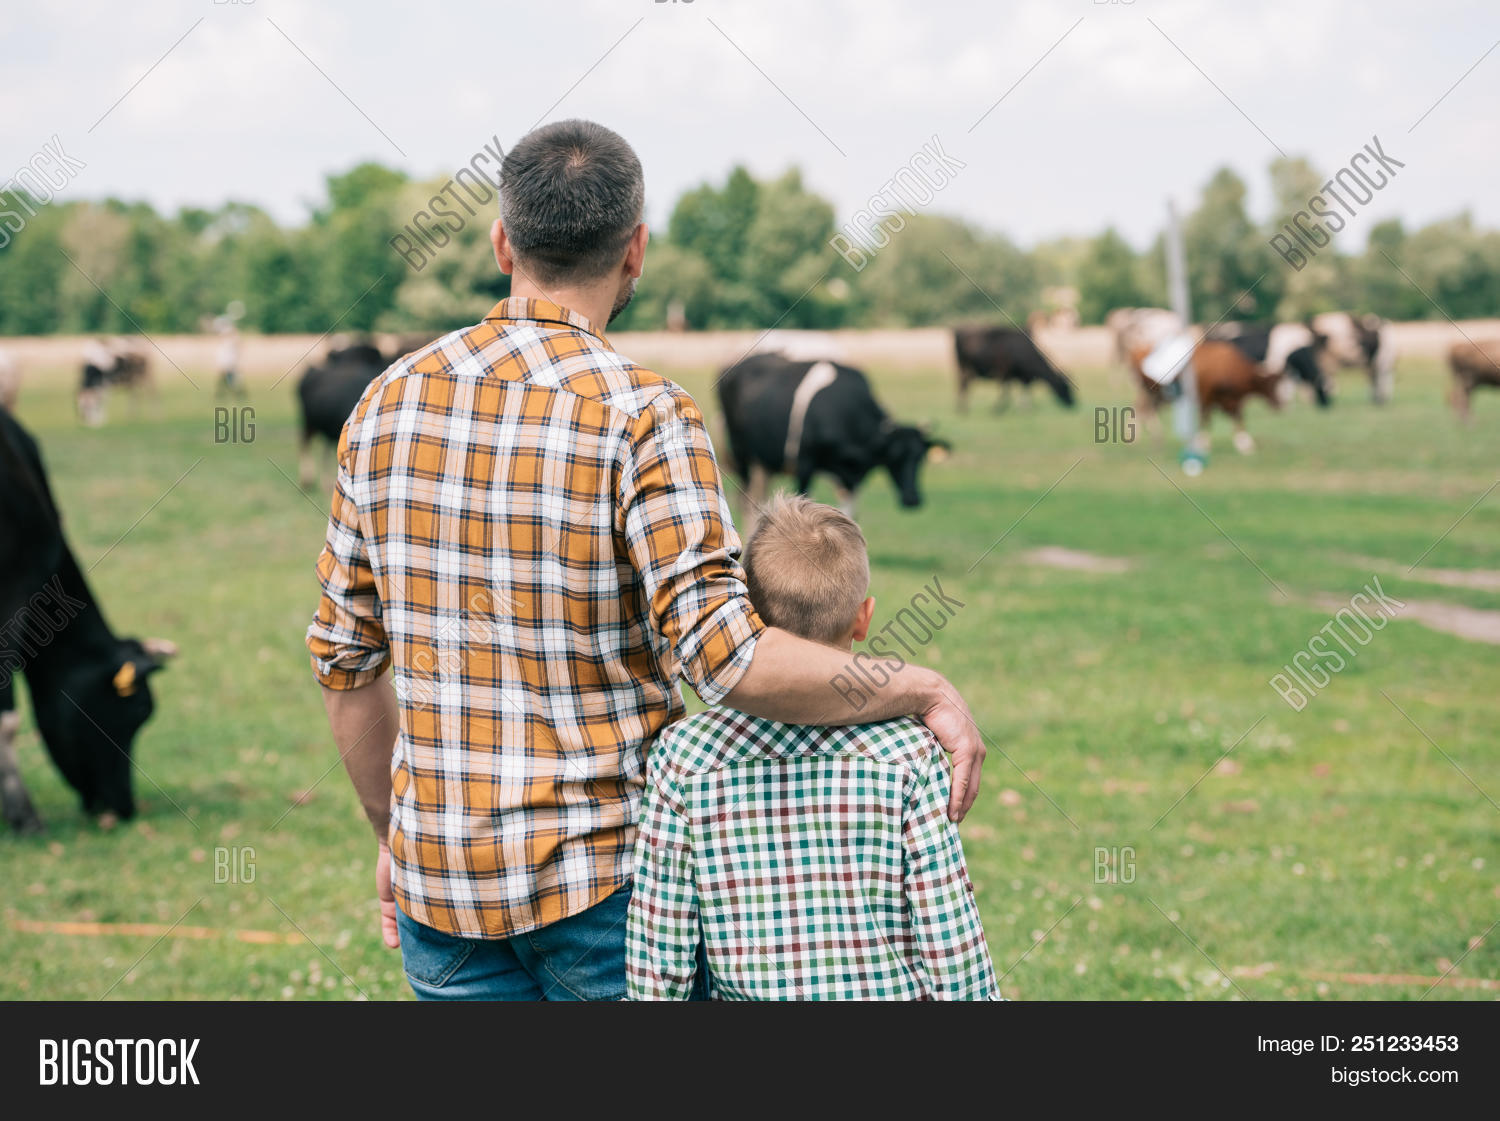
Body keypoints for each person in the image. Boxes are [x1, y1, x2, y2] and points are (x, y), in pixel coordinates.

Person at [305, 119, 984, 1001]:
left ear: (503, 241)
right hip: (615, 898)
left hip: (445, 896)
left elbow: (344, 662)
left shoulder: (384, 404)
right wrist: (923, 687)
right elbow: (727, 656)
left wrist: (395, 835)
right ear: (637, 251)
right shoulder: (647, 415)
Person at [627, 495, 999, 1000]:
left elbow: (660, 935)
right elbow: (948, 929)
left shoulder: (683, 756)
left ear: (749, 619)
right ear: (863, 619)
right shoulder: (911, 754)